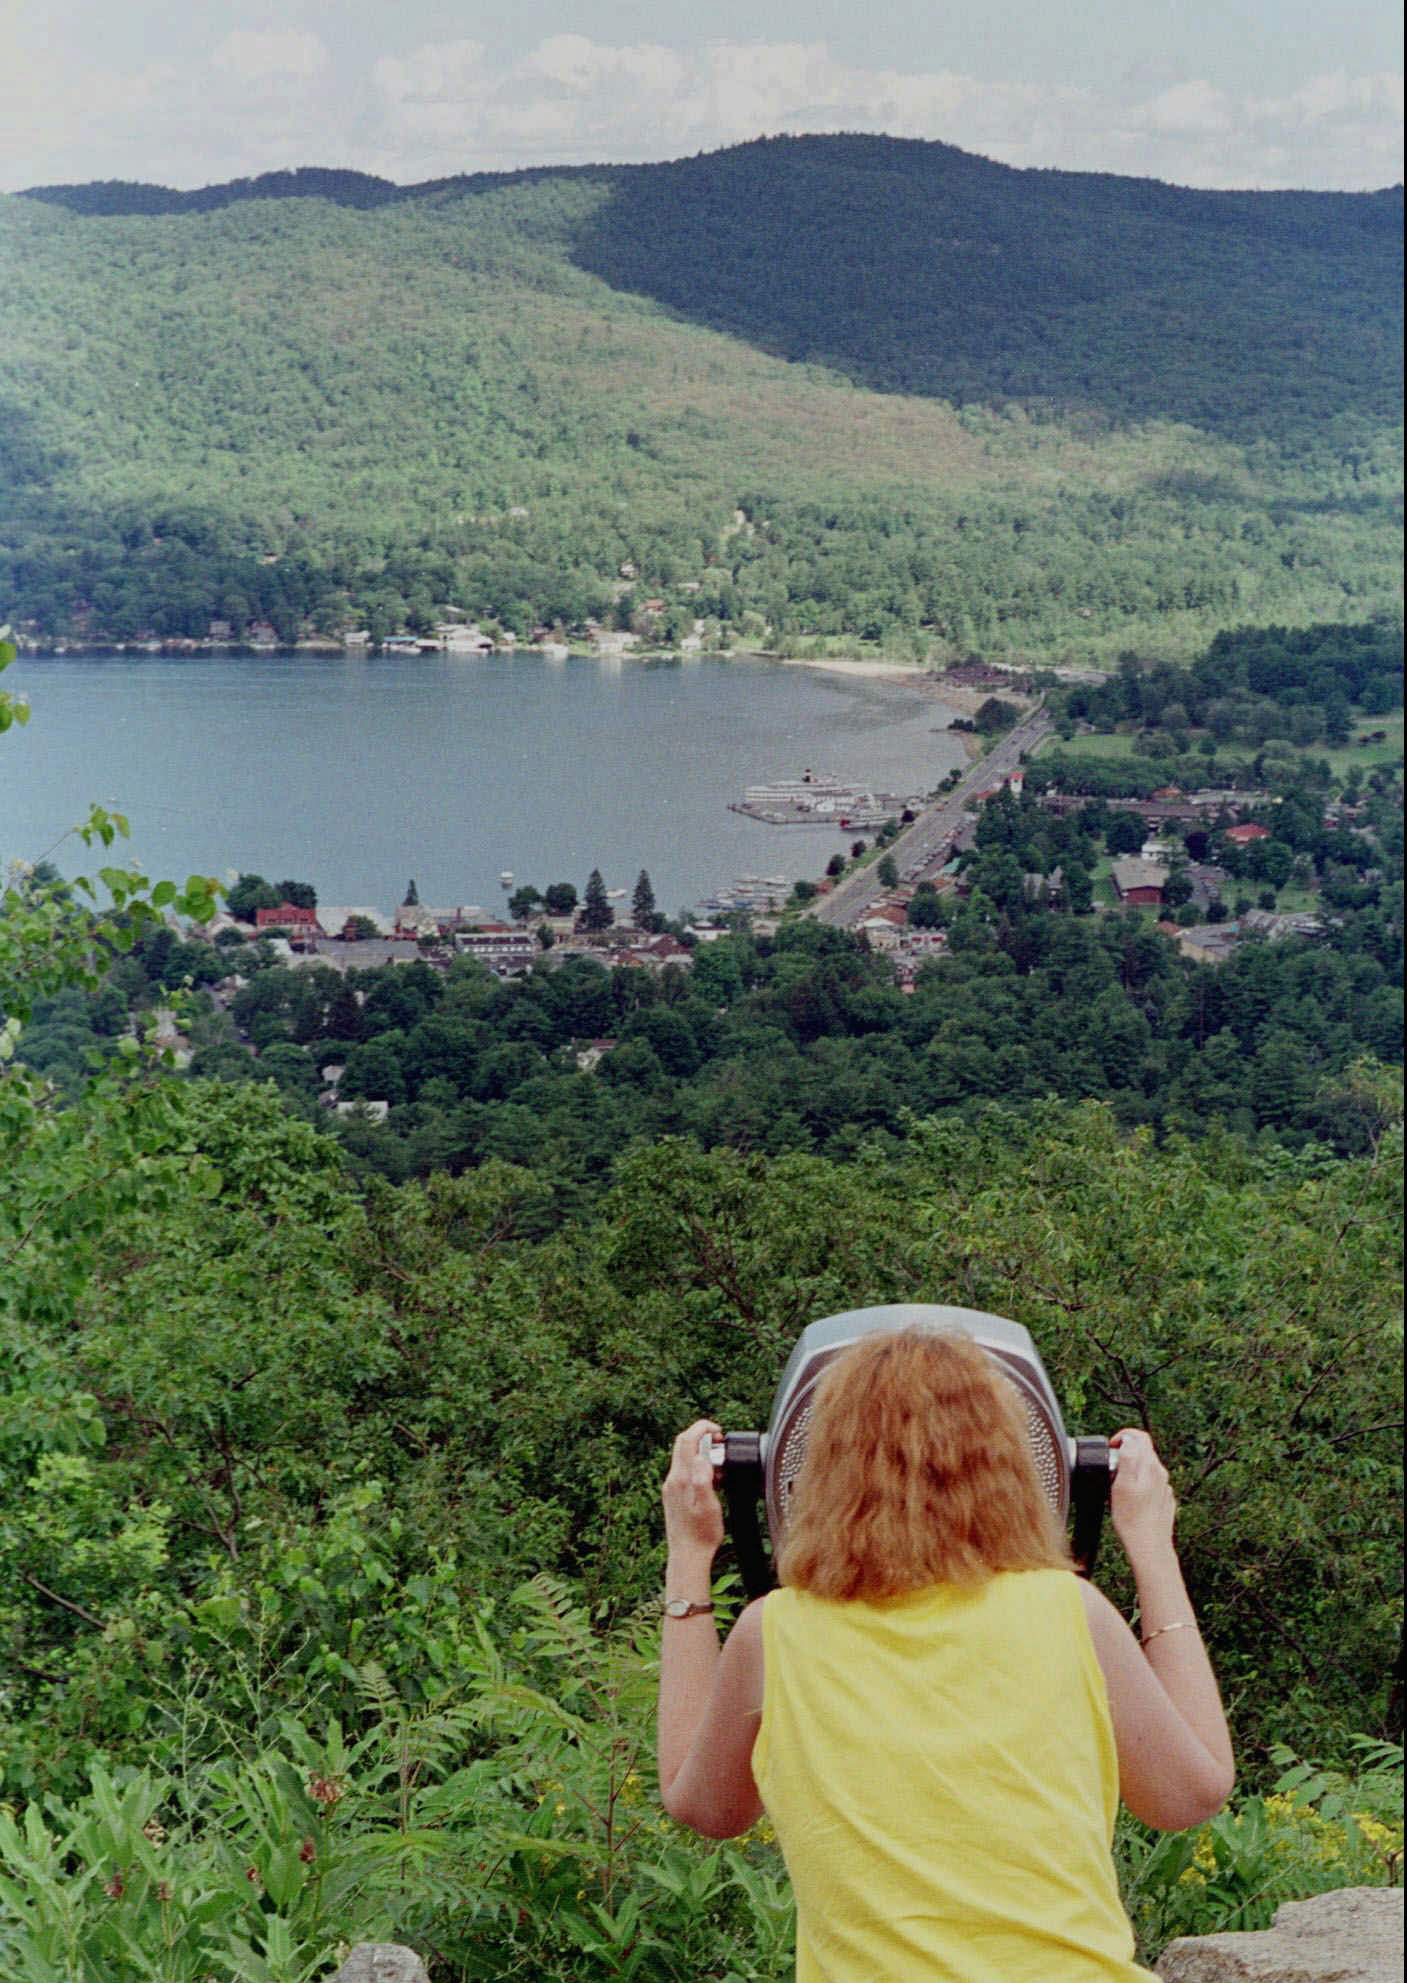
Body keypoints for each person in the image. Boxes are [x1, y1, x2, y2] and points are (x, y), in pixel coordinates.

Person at [657, 1328, 1234, 1981]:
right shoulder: (1070, 1610)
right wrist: (1151, 1545)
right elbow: (1188, 1794)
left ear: (813, 1470)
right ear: (1015, 1465)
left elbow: (705, 1807)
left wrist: (689, 1554)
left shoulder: (775, 1634)